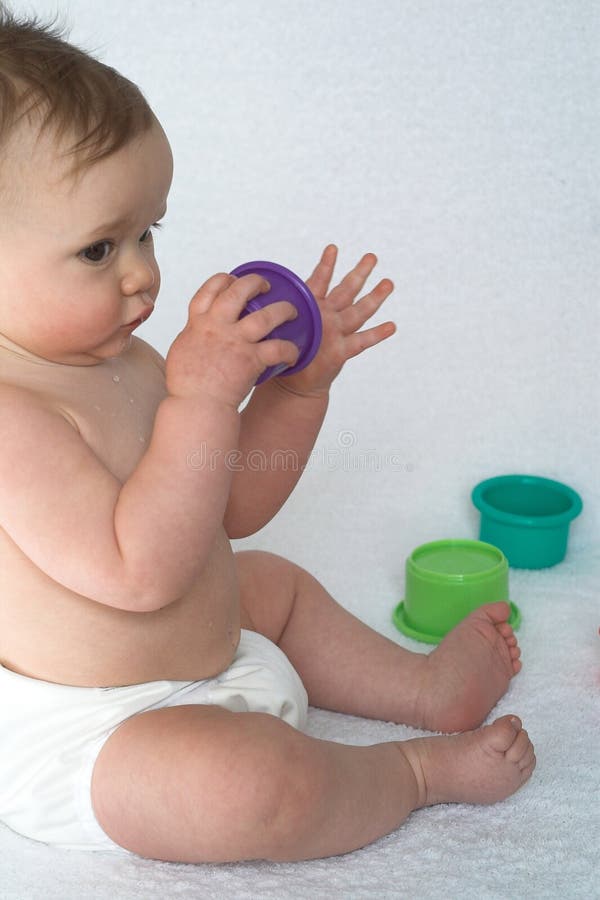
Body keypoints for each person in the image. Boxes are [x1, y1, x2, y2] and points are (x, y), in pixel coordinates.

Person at [0, 8, 534, 863]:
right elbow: (140, 574)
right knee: (240, 788)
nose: (143, 274)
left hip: (214, 653)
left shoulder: (130, 363)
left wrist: (295, 393)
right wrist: (204, 400)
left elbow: (231, 507)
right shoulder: (10, 417)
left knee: (271, 582)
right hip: (101, 734)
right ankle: (412, 773)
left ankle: (424, 687)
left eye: (148, 232)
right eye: (100, 250)